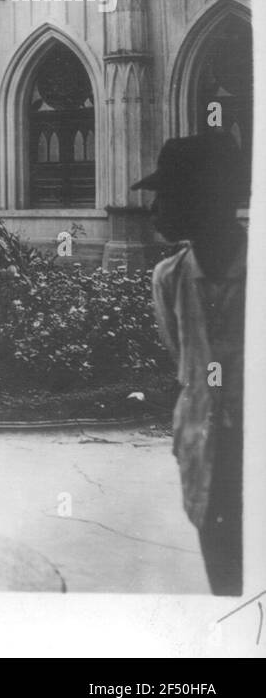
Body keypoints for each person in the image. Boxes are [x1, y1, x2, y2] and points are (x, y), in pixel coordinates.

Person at [133, 132, 247, 596]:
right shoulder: (169, 278)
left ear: (209, 197)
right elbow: (187, 365)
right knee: (224, 582)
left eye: (171, 193)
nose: (157, 207)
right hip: (206, 460)